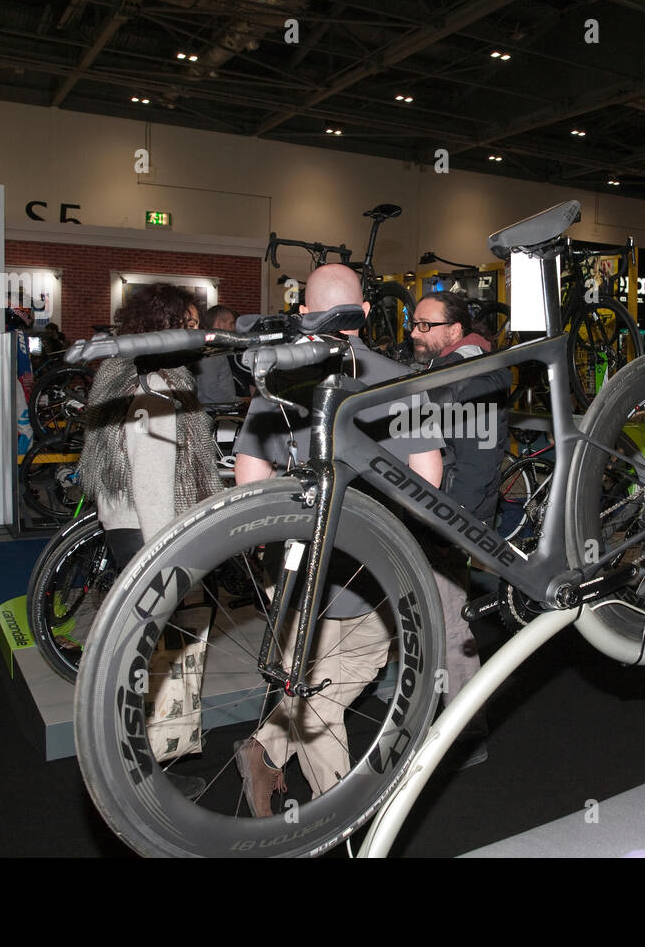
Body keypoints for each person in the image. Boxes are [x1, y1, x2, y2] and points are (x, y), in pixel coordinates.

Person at [231, 263, 443, 816]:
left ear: (304, 314)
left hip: (296, 569)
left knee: (306, 685)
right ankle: (335, 824)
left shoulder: (277, 379)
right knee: (327, 696)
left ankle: (265, 749)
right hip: (366, 572)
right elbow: (431, 480)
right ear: (366, 313)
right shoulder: (398, 378)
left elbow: (249, 473)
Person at [77, 283, 222, 793]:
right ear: (164, 326)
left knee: (144, 658)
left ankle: (135, 765)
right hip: (153, 534)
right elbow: (154, 479)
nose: (198, 333)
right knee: (162, 662)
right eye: (188, 323)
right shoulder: (155, 385)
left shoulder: (118, 371)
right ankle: (145, 779)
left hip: (125, 528)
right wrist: (171, 557)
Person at [408, 290, 511, 767]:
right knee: (441, 625)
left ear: (454, 330)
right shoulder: (447, 371)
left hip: (447, 518)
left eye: (426, 325)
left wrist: (451, 524)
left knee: (452, 629)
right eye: (414, 324)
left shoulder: (475, 374)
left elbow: (479, 465)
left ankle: (468, 736)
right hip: (434, 515)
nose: (415, 333)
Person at [194, 304, 251, 406]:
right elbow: (210, 390)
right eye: (231, 324)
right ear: (219, 324)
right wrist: (241, 400)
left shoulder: (216, 349)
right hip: (217, 413)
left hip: (220, 409)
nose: (234, 329)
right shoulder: (211, 352)